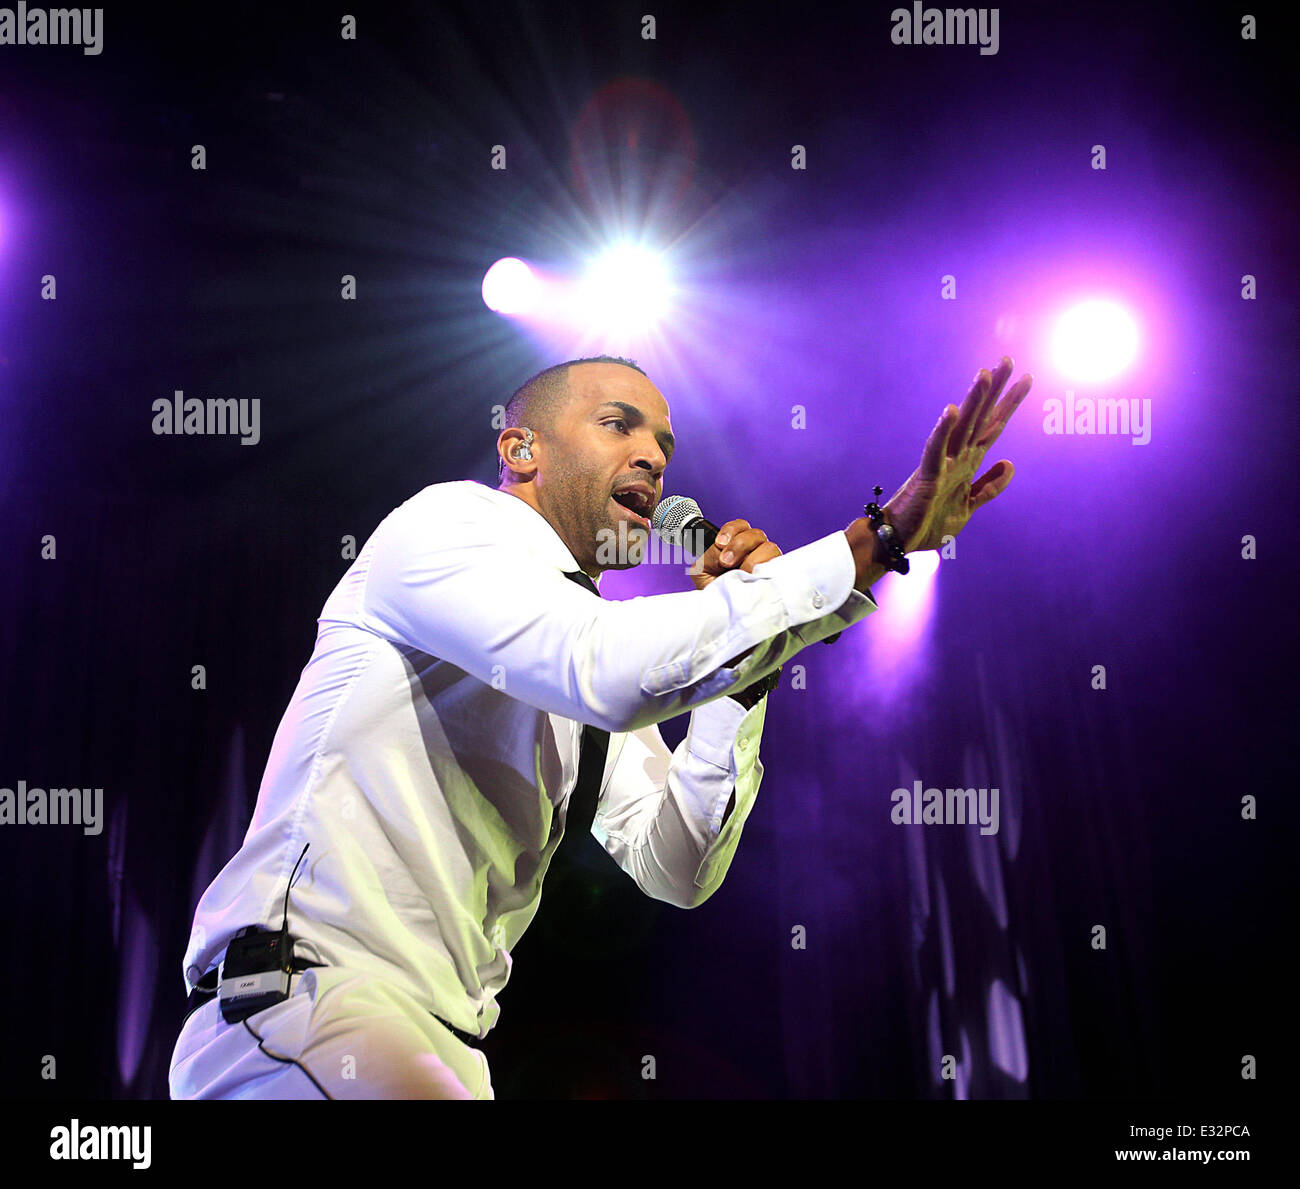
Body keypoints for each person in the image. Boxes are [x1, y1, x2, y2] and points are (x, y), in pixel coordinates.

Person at [167, 353, 1032, 1099]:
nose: (652, 457)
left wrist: (745, 678)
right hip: (309, 1001)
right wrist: (875, 541)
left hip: (435, 1042)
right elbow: (610, 671)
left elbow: (677, 863)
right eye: (620, 425)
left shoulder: (571, 637)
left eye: (663, 443)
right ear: (521, 449)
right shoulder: (447, 527)